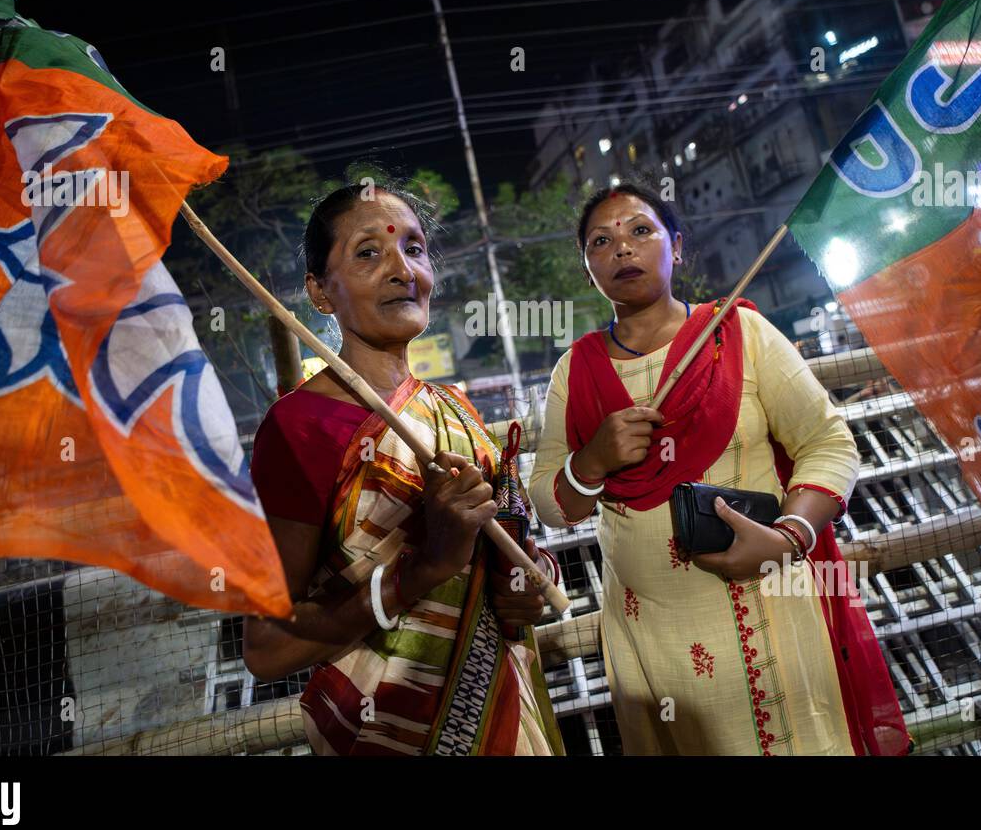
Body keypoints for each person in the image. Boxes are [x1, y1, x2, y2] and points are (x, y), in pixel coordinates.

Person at [528, 183, 910, 756]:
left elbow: (829, 443)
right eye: (601, 242)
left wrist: (789, 537)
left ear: (676, 247)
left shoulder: (737, 333)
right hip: (650, 637)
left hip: (766, 608)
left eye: (640, 231)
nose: (623, 250)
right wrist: (593, 461)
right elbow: (553, 507)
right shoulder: (574, 372)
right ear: (588, 270)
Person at [244, 182, 564, 756]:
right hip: (386, 732)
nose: (401, 269)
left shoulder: (456, 410)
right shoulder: (300, 429)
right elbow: (267, 647)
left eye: (414, 249)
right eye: (368, 252)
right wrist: (425, 569)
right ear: (320, 291)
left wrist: (530, 582)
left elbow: (515, 553)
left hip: (502, 716)